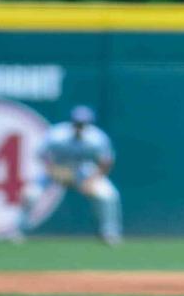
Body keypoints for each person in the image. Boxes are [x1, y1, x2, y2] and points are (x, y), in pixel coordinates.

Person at [11, 105, 123, 246]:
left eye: (83, 124)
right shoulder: (57, 135)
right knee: (31, 194)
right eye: (77, 123)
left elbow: (106, 161)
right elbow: (41, 155)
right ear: (72, 122)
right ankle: (19, 230)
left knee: (108, 195)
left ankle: (109, 233)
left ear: (89, 124)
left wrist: (92, 180)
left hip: (83, 171)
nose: (79, 127)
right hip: (57, 169)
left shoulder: (96, 138)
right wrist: (53, 171)